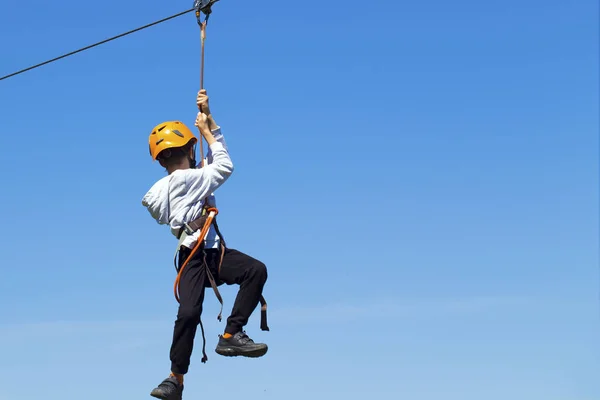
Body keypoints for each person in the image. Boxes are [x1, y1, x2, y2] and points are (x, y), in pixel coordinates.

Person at [141, 89, 269, 400]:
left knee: (188, 313)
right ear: (188, 149)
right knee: (255, 271)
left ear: (162, 159)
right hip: (202, 256)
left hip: (197, 256)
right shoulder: (186, 180)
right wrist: (208, 133)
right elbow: (223, 166)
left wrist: (210, 121)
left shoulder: (171, 185)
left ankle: (177, 378)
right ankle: (231, 332)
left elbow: (210, 167)